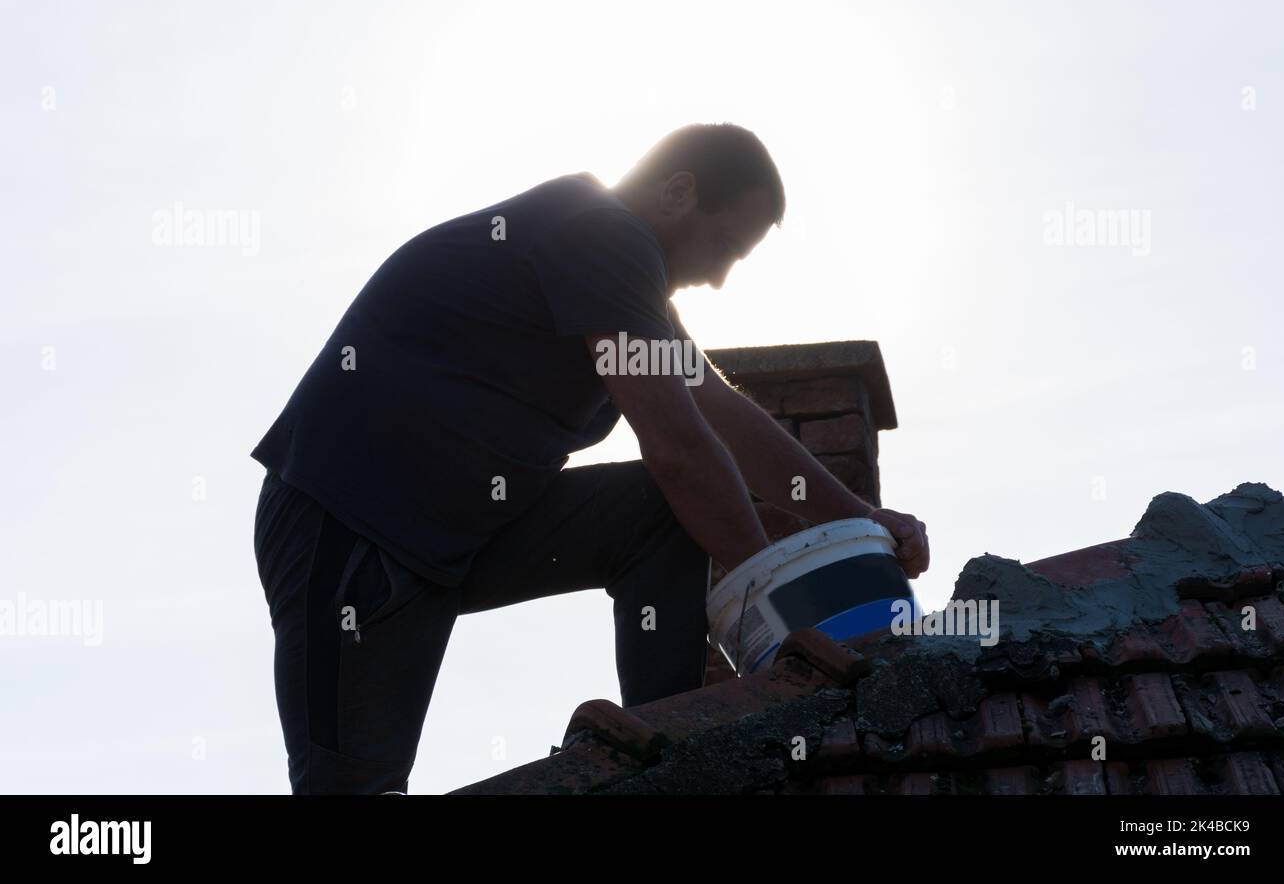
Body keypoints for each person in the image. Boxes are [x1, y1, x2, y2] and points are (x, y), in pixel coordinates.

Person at [250, 122, 930, 793]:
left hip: (462, 532)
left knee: (654, 516)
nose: (721, 277)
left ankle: (670, 753)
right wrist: (772, 615)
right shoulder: (599, 231)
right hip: (348, 529)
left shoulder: (620, 271)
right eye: (725, 245)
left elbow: (721, 416)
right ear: (679, 192)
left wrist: (863, 518)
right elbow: (680, 450)